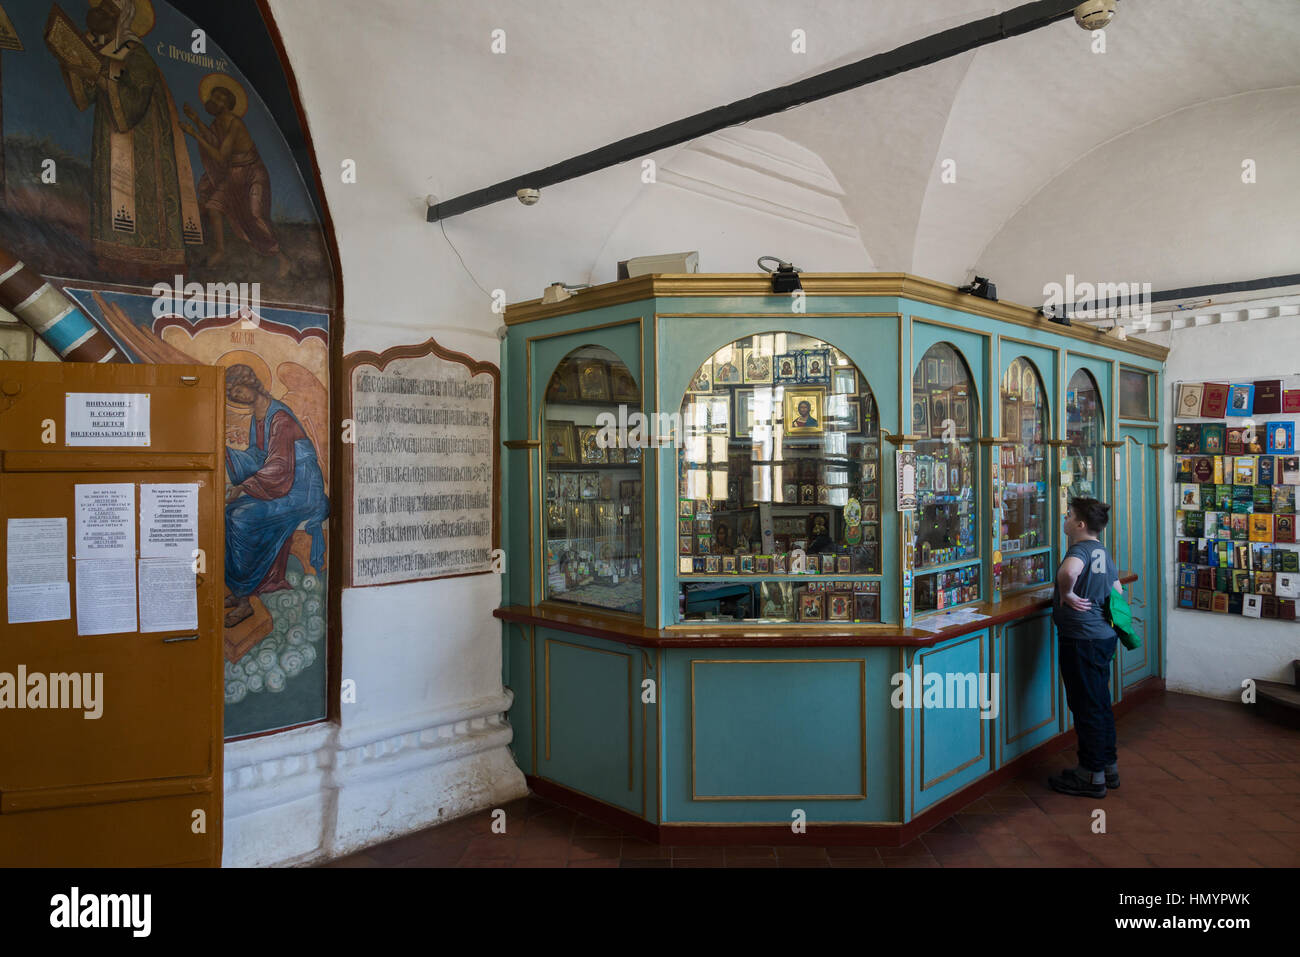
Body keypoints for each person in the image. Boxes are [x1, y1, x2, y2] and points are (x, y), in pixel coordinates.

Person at [223, 365, 329, 628]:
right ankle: (239, 592)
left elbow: (280, 465)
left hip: (302, 489)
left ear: (251, 383)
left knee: (241, 518)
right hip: (282, 484)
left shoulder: (279, 416)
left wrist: (244, 487)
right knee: (228, 513)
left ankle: (246, 599)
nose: (238, 396)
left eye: (239, 389)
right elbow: (258, 457)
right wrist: (225, 452)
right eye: (233, 394)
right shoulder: (259, 417)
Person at [1048, 497, 1122, 798]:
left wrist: (1066, 592)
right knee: (1100, 703)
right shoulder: (1102, 551)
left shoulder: (1079, 550)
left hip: (1082, 639)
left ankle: (1091, 776)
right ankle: (1108, 766)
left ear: (1079, 524)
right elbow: (1117, 589)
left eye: (1068, 515)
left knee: (1086, 706)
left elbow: (1068, 572)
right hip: (1103, 636)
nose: (1064, 519)